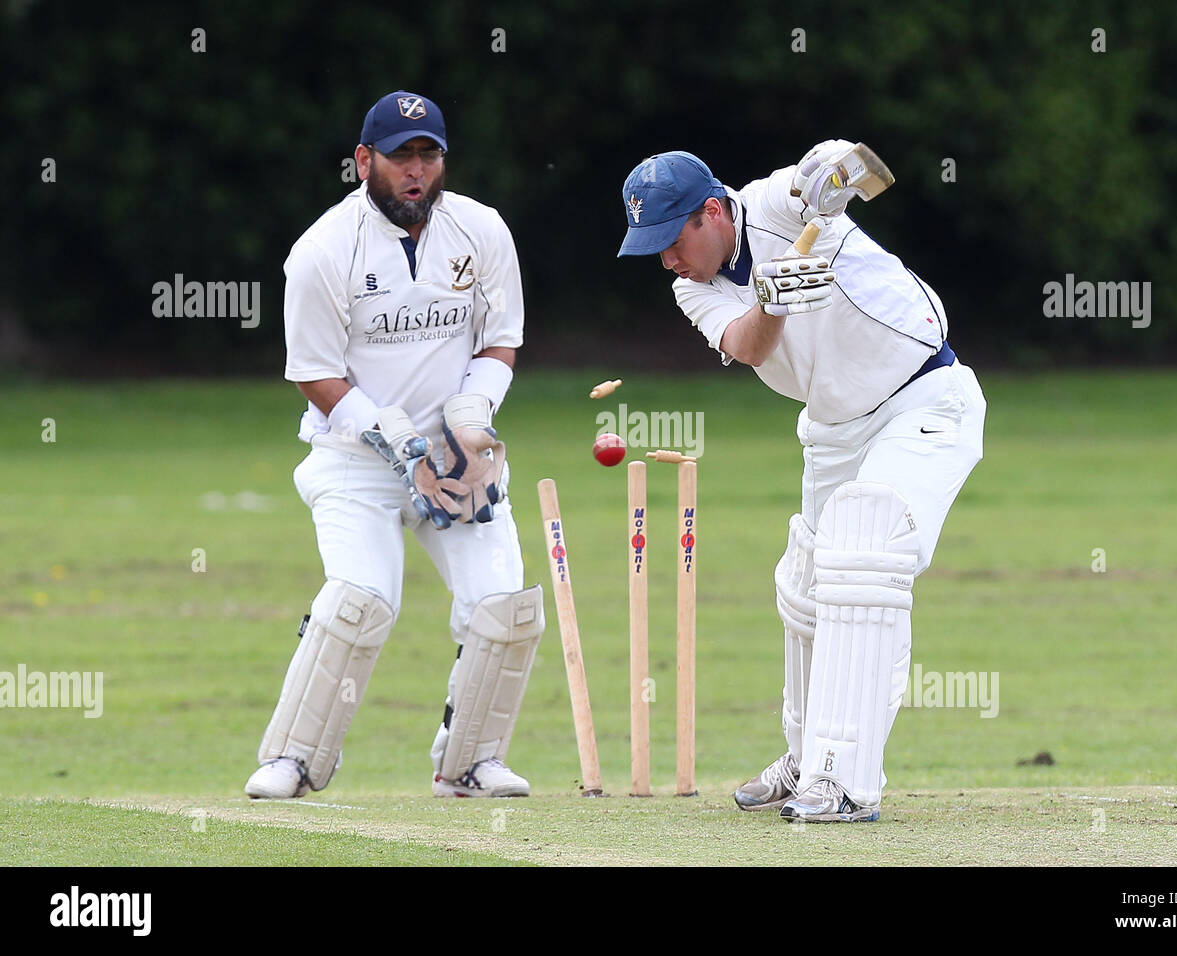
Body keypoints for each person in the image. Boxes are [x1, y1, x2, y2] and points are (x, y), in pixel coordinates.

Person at [617, 145, 986, 822]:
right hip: (833, 425)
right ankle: (808, 758)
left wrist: (830, 174)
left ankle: (845, 780)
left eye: (672, 241)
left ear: (711, 211)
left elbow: (837, 165)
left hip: (923, 396)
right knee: (807, 586)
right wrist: (774, 296)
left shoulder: (775, 203)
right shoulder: (690, 286)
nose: (667, 260)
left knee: (864, 560)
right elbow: (751, 344)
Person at [244, 90, 543, 801]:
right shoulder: (321, 251)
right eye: (400, 156)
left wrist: (471, 418)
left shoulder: (482, 230)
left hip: (455, 457)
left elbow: (500, 341)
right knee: (360, 599)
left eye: (428, 155)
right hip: (355, 459)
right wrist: (391, 434)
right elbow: (314, 373)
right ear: (362, 161)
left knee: (503, 606)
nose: (416, 171)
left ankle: (469, 760)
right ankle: (294, 757)